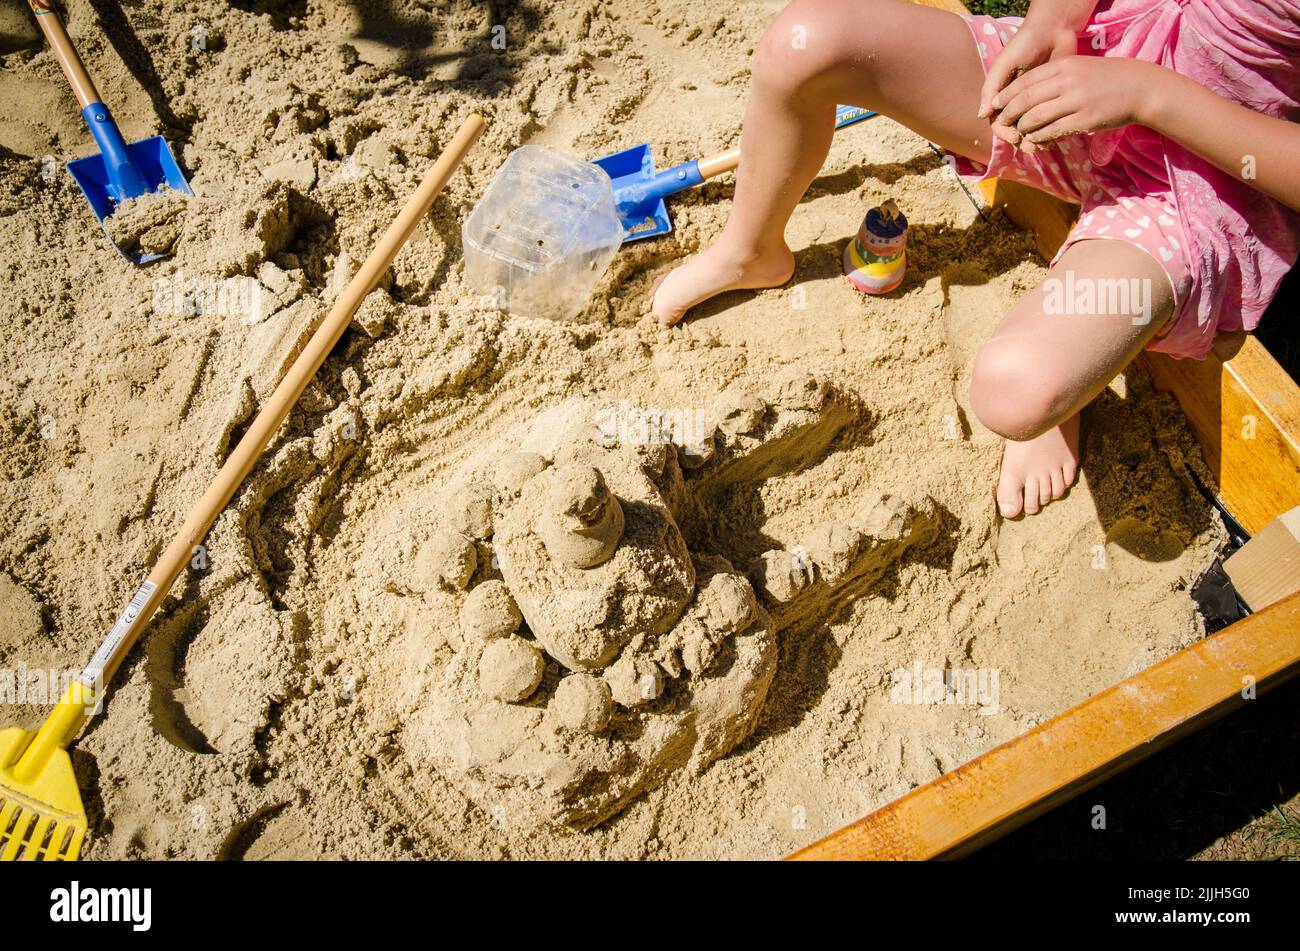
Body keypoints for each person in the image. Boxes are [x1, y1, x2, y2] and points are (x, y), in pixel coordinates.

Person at [651, 0, 1300, 517]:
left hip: (1199, 182)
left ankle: (1071, 383)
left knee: (1015, 389)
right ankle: (749, 249)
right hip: (1084, 70)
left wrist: (1149, 96)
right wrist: (1056, 17)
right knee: (805, 39)